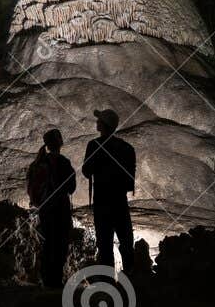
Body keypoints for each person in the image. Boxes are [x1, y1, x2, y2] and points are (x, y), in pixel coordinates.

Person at [81, 108, 136, 272]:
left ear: (103, 125)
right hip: (119, 200)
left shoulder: (93, 145)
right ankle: (131, 281)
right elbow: (129, 182)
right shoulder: (127, 148)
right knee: (126, 242)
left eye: (99, 121)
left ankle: (107, 284)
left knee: (104, 244)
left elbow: (86, 171)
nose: (96, 122)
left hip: (102, 201)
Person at [26, 128, 76, 288]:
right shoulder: (63, 162)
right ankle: (56, 279)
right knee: (60, 243)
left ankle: (46, 279)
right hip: (60, 208)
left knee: (48, 243)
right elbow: (71, 188)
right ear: (60, 142)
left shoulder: (38, 163)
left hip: (46, 209)